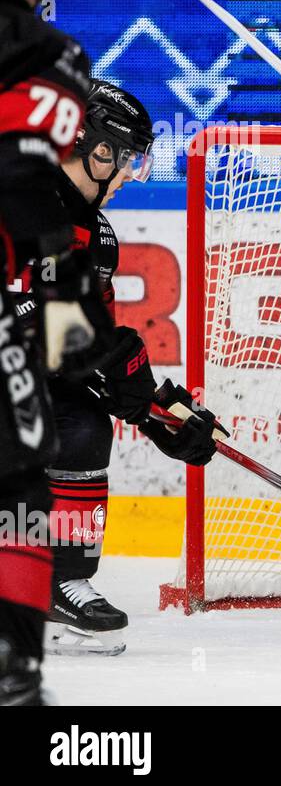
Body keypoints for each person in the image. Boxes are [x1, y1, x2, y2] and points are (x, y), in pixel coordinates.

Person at [16, 79, 225, 656]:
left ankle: (57, 584)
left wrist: (158, 411)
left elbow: (88, 357)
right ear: (95, 149)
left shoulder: (97, 237)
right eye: (127, 157)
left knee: (81, 425)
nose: (133, 173)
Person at [0, 0, 108, 704]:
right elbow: (29, 183)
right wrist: (67, 312)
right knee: (20, 484)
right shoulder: (51, 53)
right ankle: (14, 672)